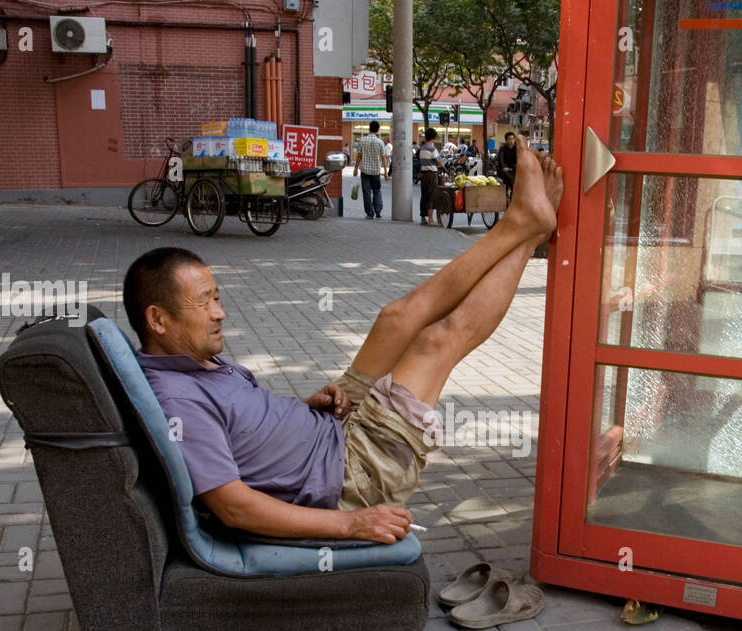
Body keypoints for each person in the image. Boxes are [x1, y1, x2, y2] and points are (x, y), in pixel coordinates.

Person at [124, 138, 564, 543]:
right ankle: (526, 230)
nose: (220, 312)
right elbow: (234, 508)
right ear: (158, 320)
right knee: (435, 342)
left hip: (331, 430)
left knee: (395, 318)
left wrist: (302, 406)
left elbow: (244, 435)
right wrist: (352, 522)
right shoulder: (178, 402)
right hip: (351, 476)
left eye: (217, 297)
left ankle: (525, 224)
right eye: (204, 303)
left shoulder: (191, 360)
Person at [353, 120, 387, 219]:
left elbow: (359, 156)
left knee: (367, 192)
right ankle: (378, 211)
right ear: (378, 130)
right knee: (377, 190)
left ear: (369, 128)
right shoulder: (380, 142)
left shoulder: (362, 140)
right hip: (376, 171)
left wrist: (355, 168)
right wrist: (385, 172)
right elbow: (383, 158)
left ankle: (369, 213)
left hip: (365, 171)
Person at [418, 128, 441, 226]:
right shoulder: (433, 149)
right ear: (433, 137)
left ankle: (423, 217)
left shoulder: (422, 148)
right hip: (431, 174)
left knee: (424, 196)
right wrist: (439, 164)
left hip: (423, 174)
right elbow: (439, 162)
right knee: (431, 195)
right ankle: (431, 218)